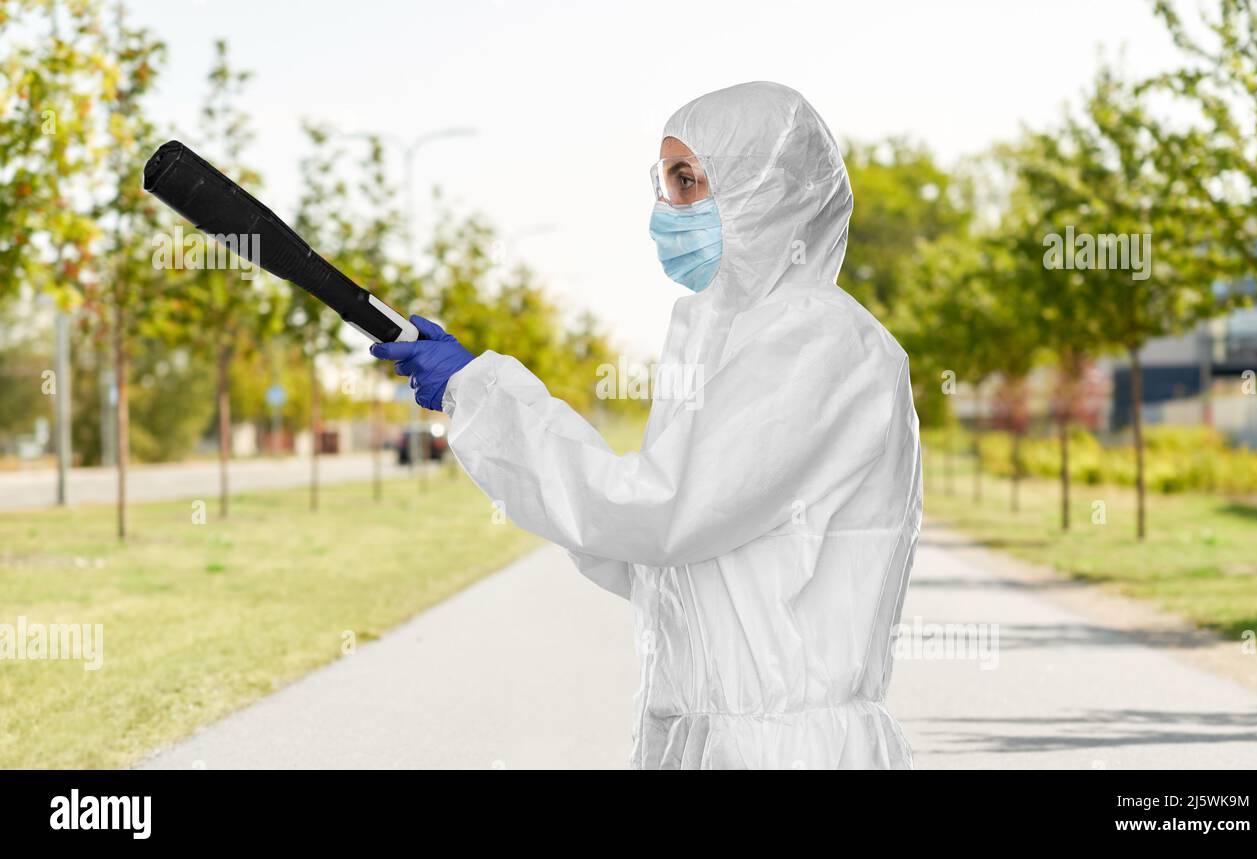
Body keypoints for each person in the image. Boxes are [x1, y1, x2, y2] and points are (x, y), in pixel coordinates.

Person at [372, 81, 923, 770]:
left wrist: (481, 392)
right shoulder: (727, 338)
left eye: (688, 181)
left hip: (787, 750)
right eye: (664, 184)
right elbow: (652, 556)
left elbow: (664, 512)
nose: (667, 209)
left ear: (768, 191)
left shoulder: (820, 343)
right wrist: (473, 396)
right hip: (715, 740)